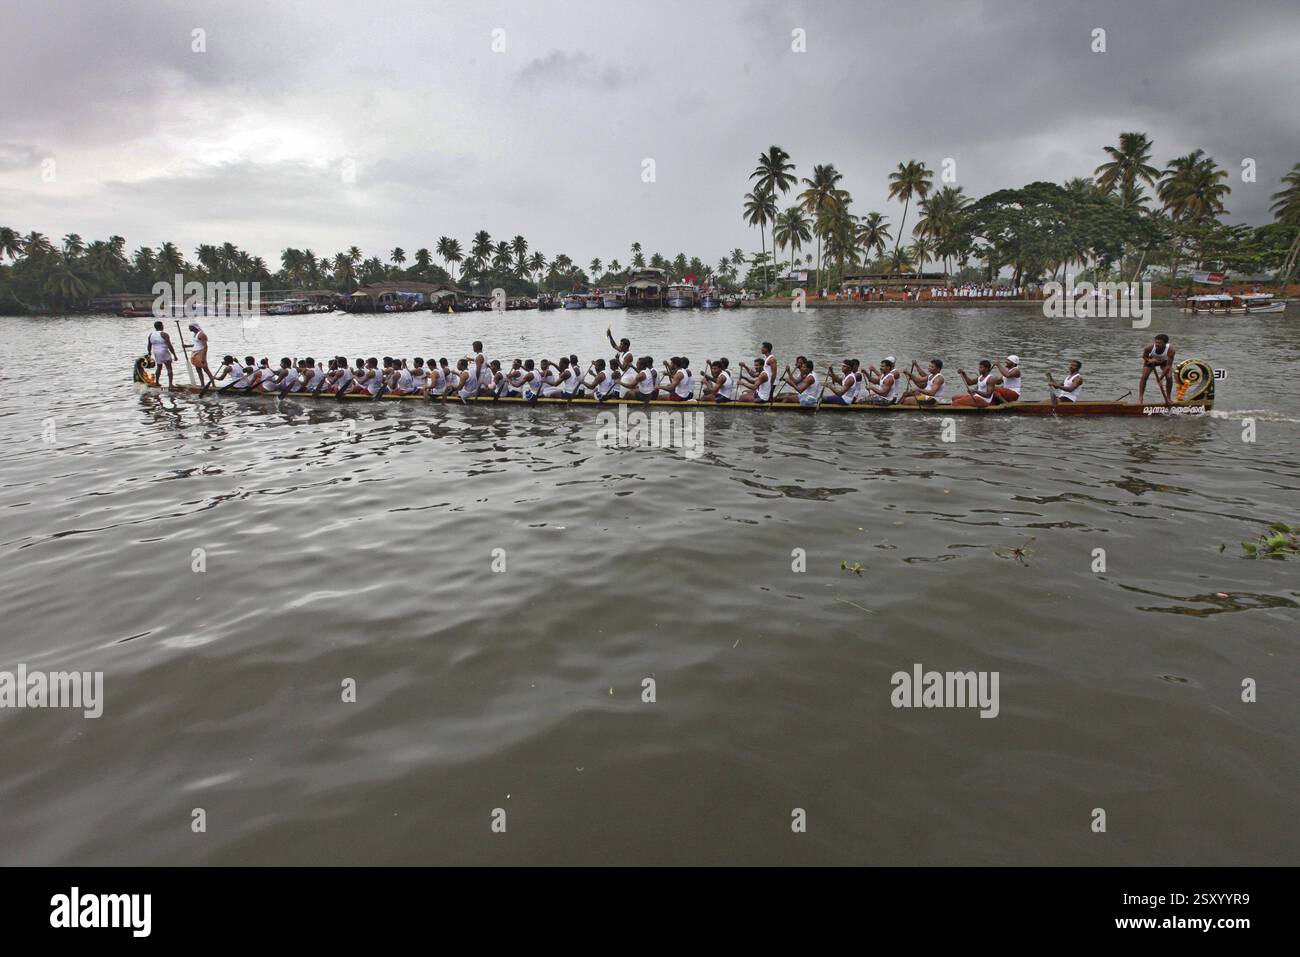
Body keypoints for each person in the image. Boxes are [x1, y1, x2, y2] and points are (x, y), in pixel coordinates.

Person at [1139, 334, 1175, 404]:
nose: (1157, 345)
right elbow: (1144, 356)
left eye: (1160, 343)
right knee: (1144, 376)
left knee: (1169, 377)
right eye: (1156, 342)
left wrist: (1160, 378)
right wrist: (1149, 360)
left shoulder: (1171, 350)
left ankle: (1168, 398)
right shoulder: (1149, 348)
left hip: (1164, 362)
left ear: (1165, 343)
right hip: (1151, 362)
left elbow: (1168, 366)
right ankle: (1140, 398)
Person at [146, 321, 177, 387]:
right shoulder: (164, 334)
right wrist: (174, 354)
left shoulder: (151, 335)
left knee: (159, 367)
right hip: (164, 351)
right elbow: (169, 345)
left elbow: (149, 345)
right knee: (169, 368)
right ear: (161, 326)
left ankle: (157, 382)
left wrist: (149, 353)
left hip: (156, 352)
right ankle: (170, 384)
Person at [188, 322, 214, 387]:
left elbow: (205, 346)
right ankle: (202, 384)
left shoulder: (201, 334)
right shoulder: (195, 334)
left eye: (190, 327)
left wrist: (203, 357)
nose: (189, 328)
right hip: (195, 353)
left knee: (206, 369)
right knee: (198, 369)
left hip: (201, 353)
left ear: (194, 327)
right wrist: (187, 346)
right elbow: (197, 344)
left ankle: (213, 384)